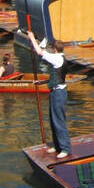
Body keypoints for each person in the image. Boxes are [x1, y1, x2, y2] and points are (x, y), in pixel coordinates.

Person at [25, 28, 72, 158]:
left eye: (51, 49)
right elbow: (55, 77)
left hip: (59, 93)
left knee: (59, 120)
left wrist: (32, 37)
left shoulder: (57, 58)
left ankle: (65, 148)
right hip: (55, 91)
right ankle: (57, 146)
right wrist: (40, 83)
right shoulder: (59, 58)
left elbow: (39, 52)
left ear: (54, 49)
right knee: (53, 120)